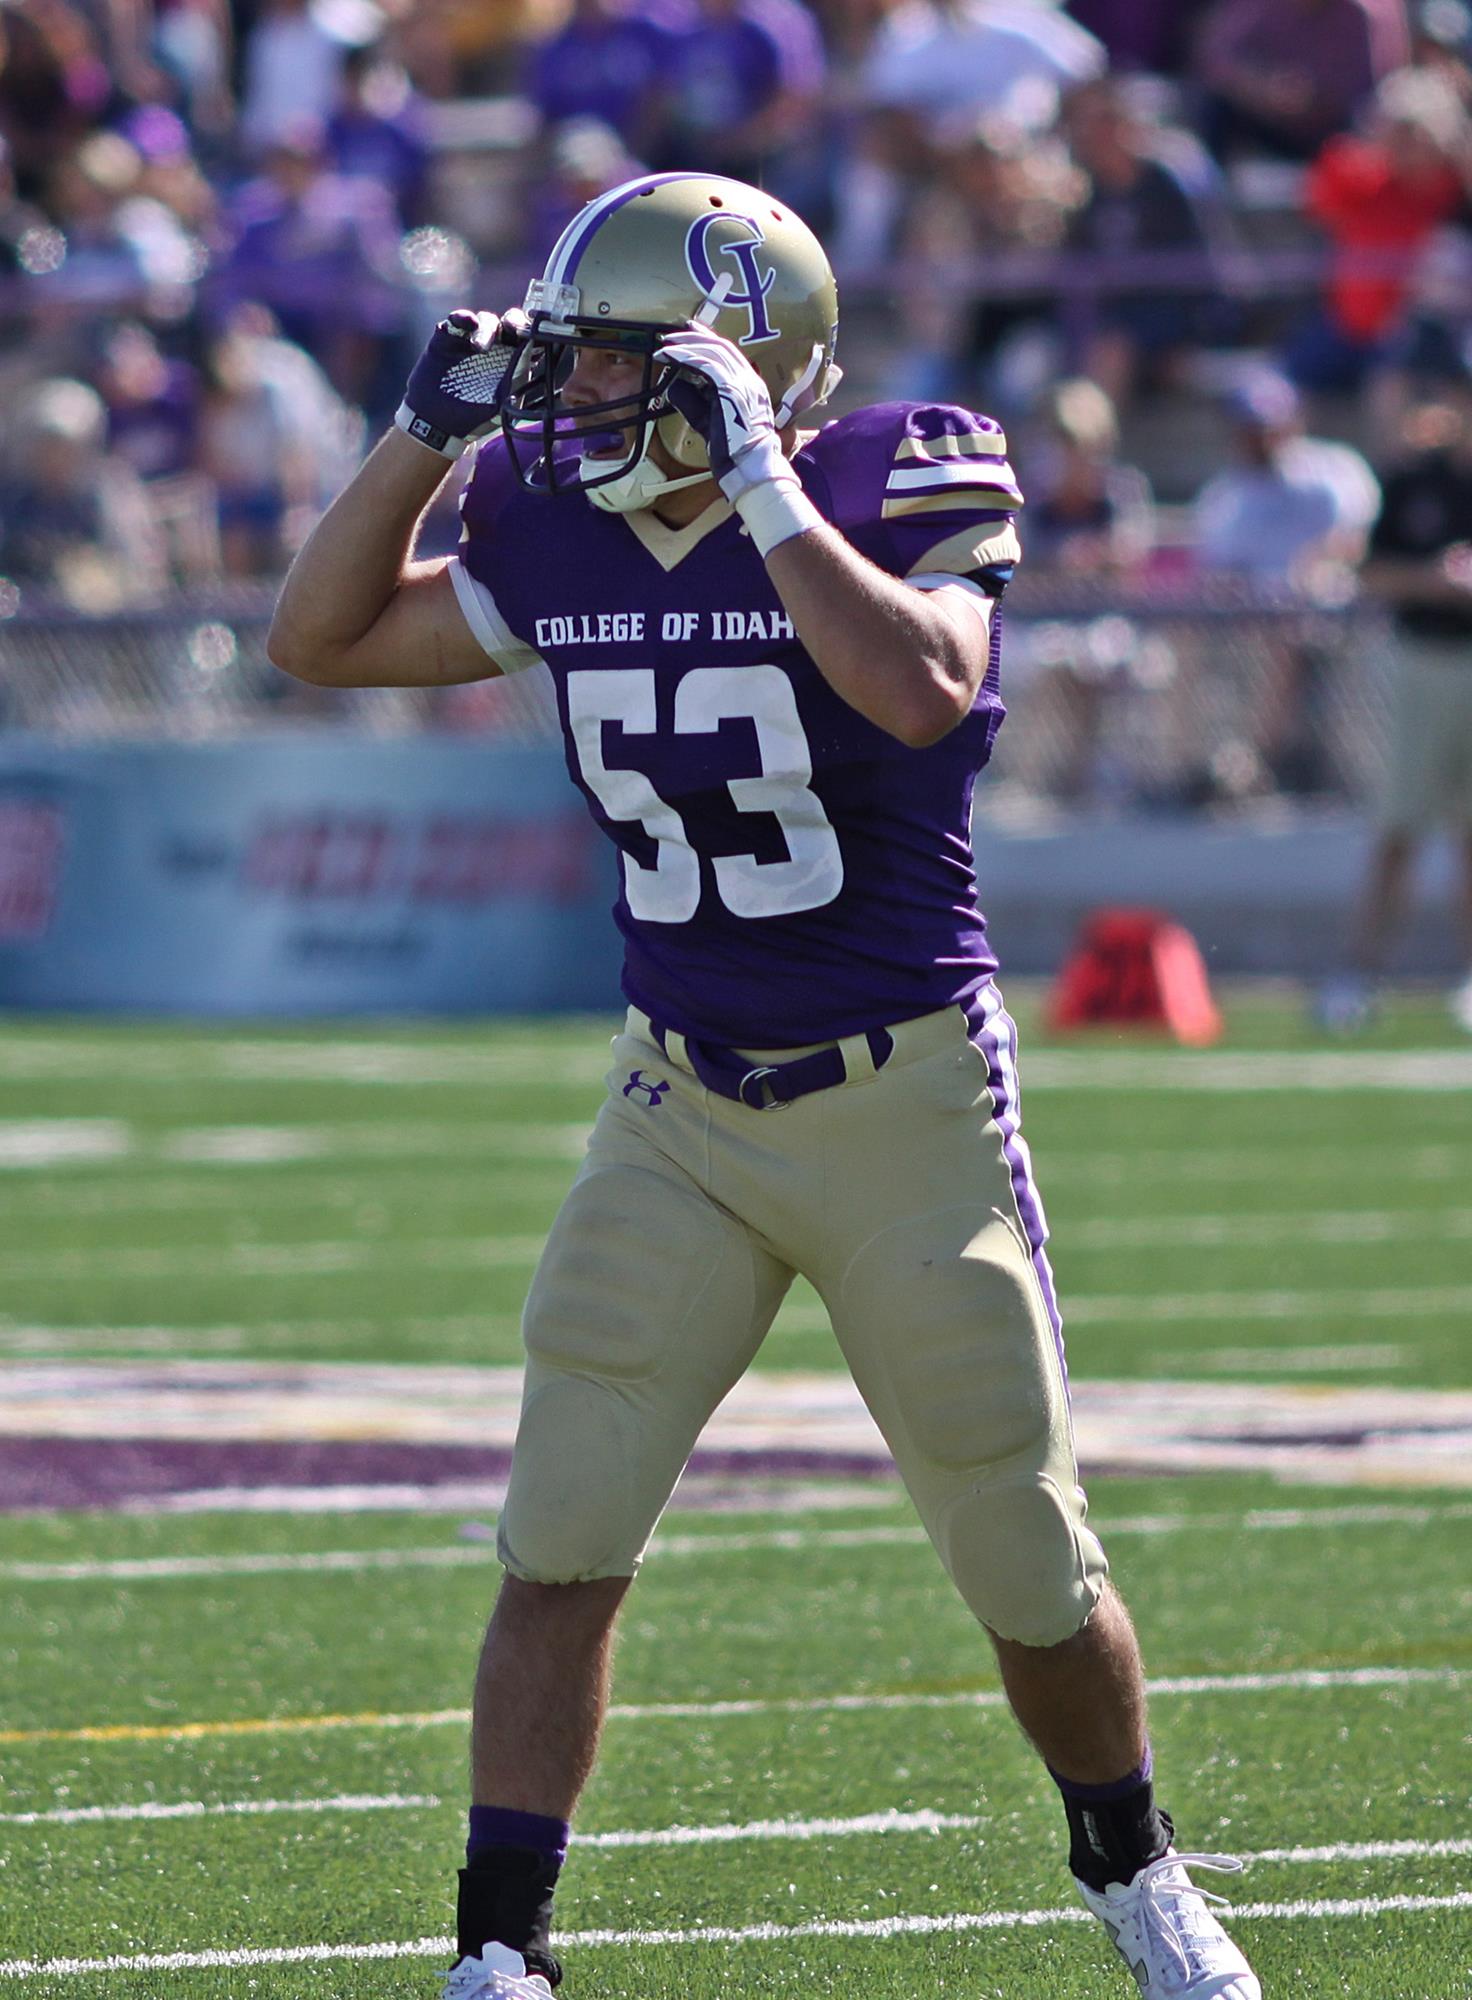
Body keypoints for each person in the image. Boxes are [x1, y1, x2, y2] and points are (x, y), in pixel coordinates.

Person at [267, 171, 1262, 2000]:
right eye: (556, 371)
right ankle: (500, 1951)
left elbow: (921, 692)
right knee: (560, 1526)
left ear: (745, 368)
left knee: (1020, 1546)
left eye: (605, 368)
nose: (566, 407)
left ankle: (1135, 1875)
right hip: (681, 1103)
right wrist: (417, 438)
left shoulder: (900, 474)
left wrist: (765, 487)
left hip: (904, 1104)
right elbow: (316, 641)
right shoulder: (549, 525)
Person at [1320, 387, 1472, 1029]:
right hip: (1423, 663)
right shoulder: (1417, 478)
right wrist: (1431, 581)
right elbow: (1370, 573)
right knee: (1399, 828)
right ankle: (1359, 973)